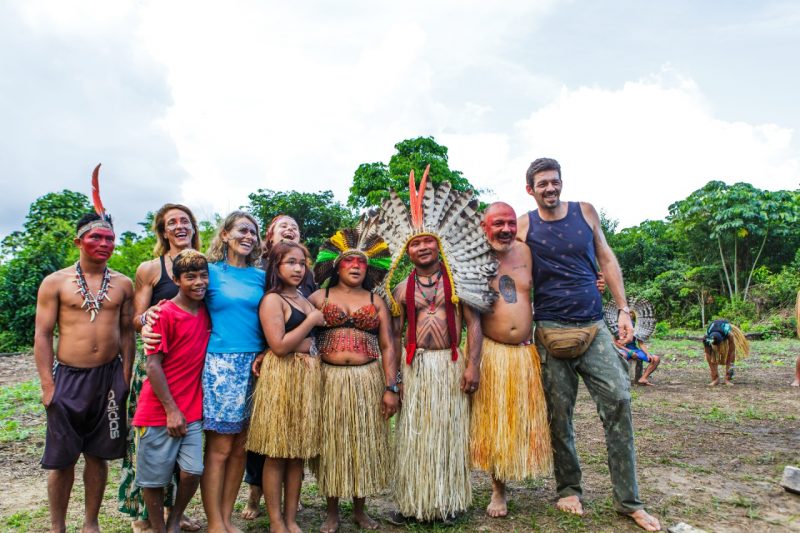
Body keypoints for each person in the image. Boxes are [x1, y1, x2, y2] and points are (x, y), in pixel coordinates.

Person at [517, 157, 661, 532]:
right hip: (549, 330)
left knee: (620, 400)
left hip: (594, 326)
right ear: (530, 189)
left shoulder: (585, 212)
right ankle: (569, 490)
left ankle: (629, 501)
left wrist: (623, 309)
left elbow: (606, 258)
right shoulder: (523, 225)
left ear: (561, 182)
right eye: (542, 183)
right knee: (558, 415)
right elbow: (511, 269)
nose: (550, 188)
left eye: (554, 181)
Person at [376, 170, 497, 522]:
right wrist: (393, 382)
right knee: (415, 437)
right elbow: (393, 338)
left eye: (428, 241)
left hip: (449, 365)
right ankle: (413, 504)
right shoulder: (401, 289)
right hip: (416, 367)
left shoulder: (459, 282)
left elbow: (474, 324)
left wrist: (473, 365)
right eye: (416, 244)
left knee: (447, 435)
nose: (423, 247)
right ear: (407, 250)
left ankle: (447, 504)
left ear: (439, 244)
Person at [144, 210, 266, 533]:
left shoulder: (260, 276)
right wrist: (148, 320)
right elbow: (178, 301)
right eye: (242, 230)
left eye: (253, 232)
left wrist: (266, 351)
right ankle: (214, 522)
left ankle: (226, 518)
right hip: (221, 366)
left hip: (255, 366)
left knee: (240, 448)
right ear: (224, 235)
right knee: (220, 448)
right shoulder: (210, 272)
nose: (248, 236)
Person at [34, 170, 135, 533]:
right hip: (69, 378)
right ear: (79, 240)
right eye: (96, 237)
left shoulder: (123, 283)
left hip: (108, 378)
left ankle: (91, 524)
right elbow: (43, 335)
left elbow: (128, 333)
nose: (104, 243)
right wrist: (48, 385)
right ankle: (58, 527)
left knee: (98, 455)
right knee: (62, 460)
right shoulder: (55, 282)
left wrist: (124, 378)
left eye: (110, 238)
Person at [308, 221, 398, 532]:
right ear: (337, 265)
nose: (356, 266)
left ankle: (360, 510)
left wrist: (391, 386)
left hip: (366, 379)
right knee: (332, 445)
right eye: (350, 261)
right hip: (328, 380)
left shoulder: (376, 301)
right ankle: (332, 512)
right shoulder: (318, 297)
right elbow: (297, 332)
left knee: (362, 443)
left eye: (361, 261)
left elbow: (388, 346)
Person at [119, 203, 202, 532]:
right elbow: (135, 318)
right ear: (163, 231)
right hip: (156, 361)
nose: (180, 226)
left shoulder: (203, 265)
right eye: (172, 222)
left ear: (193, 227)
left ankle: (173, 513)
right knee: (149, 442)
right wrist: (149, 317)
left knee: (184, 446)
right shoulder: (151, 268)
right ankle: (144, 515)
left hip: (190, 364)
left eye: (185, 221)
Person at [470, 202, 552, 518]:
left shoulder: (526, 252)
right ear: (484, 227)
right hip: (493, 352)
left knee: (519, 420)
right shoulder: (473, 259)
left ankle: (519, 470)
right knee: (495, 422)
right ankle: (498, 490)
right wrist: (472, 362)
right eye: (498, 224)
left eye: (510, 223)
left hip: (525, 353)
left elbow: (546, 287)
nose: (505, 229)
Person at [245, 241, 325, 533]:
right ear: (276, 266)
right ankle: (276, 521)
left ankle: (291, 519)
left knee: (297, 454)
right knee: (277, 453)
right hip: (282, 378)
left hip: (305, 379)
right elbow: (279, 346)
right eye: (291, 262)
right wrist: (311, 321)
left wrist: (309, 341)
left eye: (302, 263)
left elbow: (310, 342)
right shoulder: (272, 300)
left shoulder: (303, 298)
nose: (298, 268)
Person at [133, 250, 210, 533]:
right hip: (159, 409)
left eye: (203, 276)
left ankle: (175, 518)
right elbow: (152, 365)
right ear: (176, 280)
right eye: (190, 277)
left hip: (192, 409)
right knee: (154, 478)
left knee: (192, 471)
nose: (199, 282)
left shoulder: (205, 310)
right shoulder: (163, 313)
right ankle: (158, 528)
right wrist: (171, 410)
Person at [703, 319, 749, 386]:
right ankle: (715, 379)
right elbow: (707, 354)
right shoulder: (706, 338)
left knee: (729, 355)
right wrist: (714, 375)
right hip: (714, 332)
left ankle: (727, 379)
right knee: (712, 356)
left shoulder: (729, 334)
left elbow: (732, 352)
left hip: (724, 331)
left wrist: (730, 371)